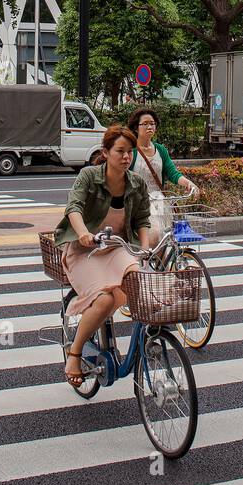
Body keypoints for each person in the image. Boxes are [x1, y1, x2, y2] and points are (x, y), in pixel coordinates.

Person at [54, 124, 151, 387]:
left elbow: (143, 219)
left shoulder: (136, 183)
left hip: (117, 247)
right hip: (84, 250)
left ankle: (149, 341)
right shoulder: (88, 176)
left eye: (130, 152)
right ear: (106, 152)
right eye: (120, 151)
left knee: (139, 281)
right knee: (105, 300)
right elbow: (73, 207)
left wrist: (143, 248)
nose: (126, 157)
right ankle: (74, 354)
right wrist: (83, 233)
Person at [127, 107, 199, 245]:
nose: (150, 127)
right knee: (153, 236)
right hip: (138, 203)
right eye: (145, 123)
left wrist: (189, 183)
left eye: (152, 123)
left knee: (165, 238)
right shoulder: (131, 151)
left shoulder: (160, 150)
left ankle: (161, 265)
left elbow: (172, 173)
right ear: (136, 128)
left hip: (159, 202)